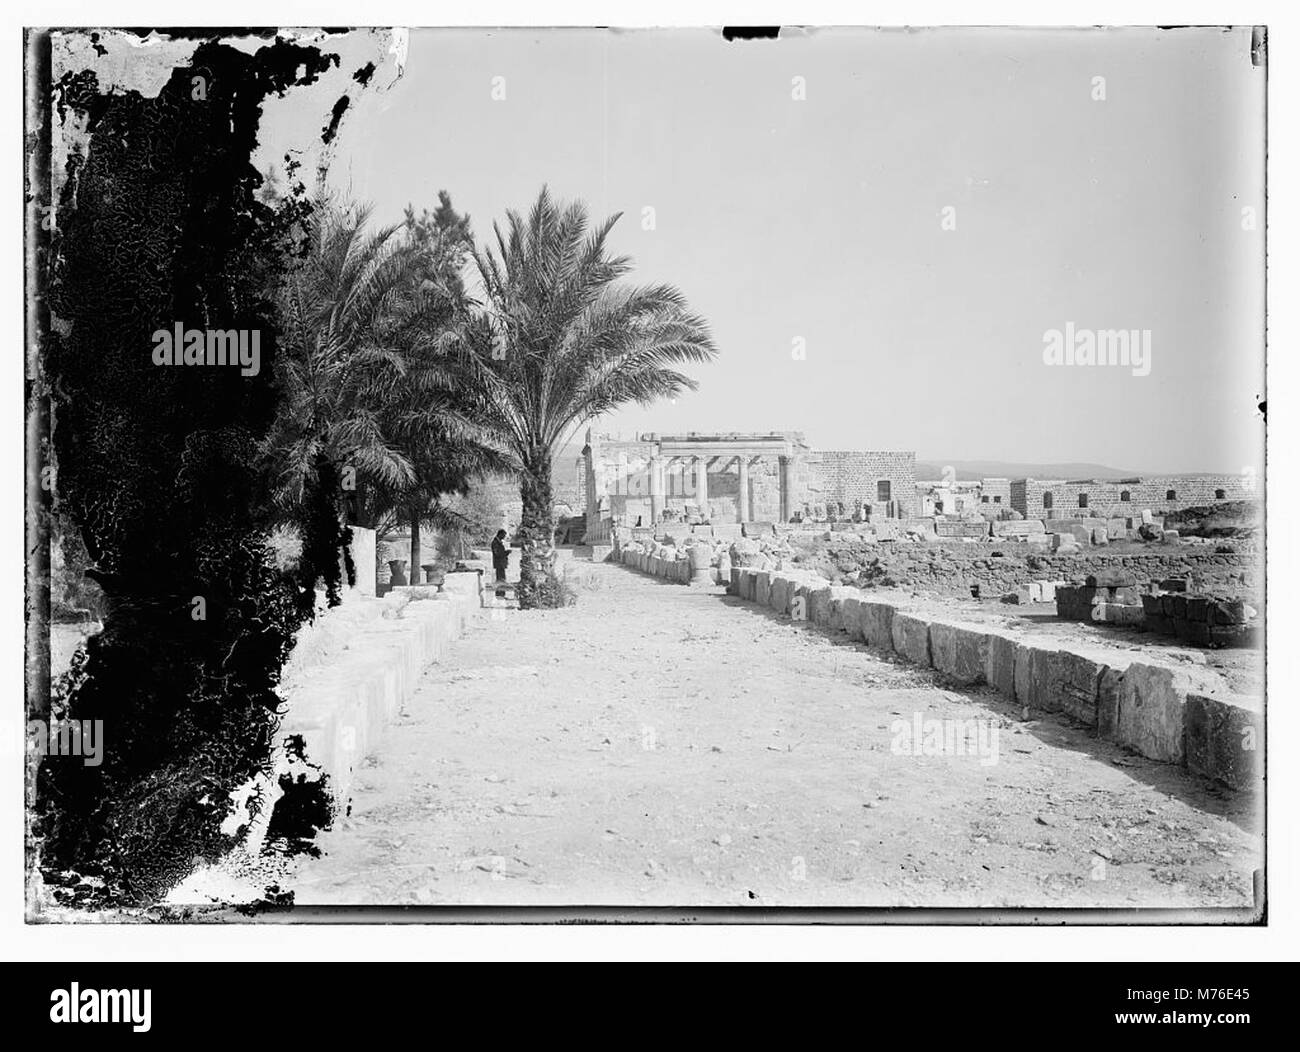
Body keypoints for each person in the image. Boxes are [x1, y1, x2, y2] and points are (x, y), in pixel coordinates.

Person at [491, 529, 510, 597]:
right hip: (499, 563)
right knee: (500, 579)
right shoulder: (495, 542)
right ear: (500, 534)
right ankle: (500, 594)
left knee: (502, 578)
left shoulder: (498, 542)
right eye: (503, 535)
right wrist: (506, 553)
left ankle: (501, 593)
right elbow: (497, 554)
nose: (504, 537)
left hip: (501, 563)